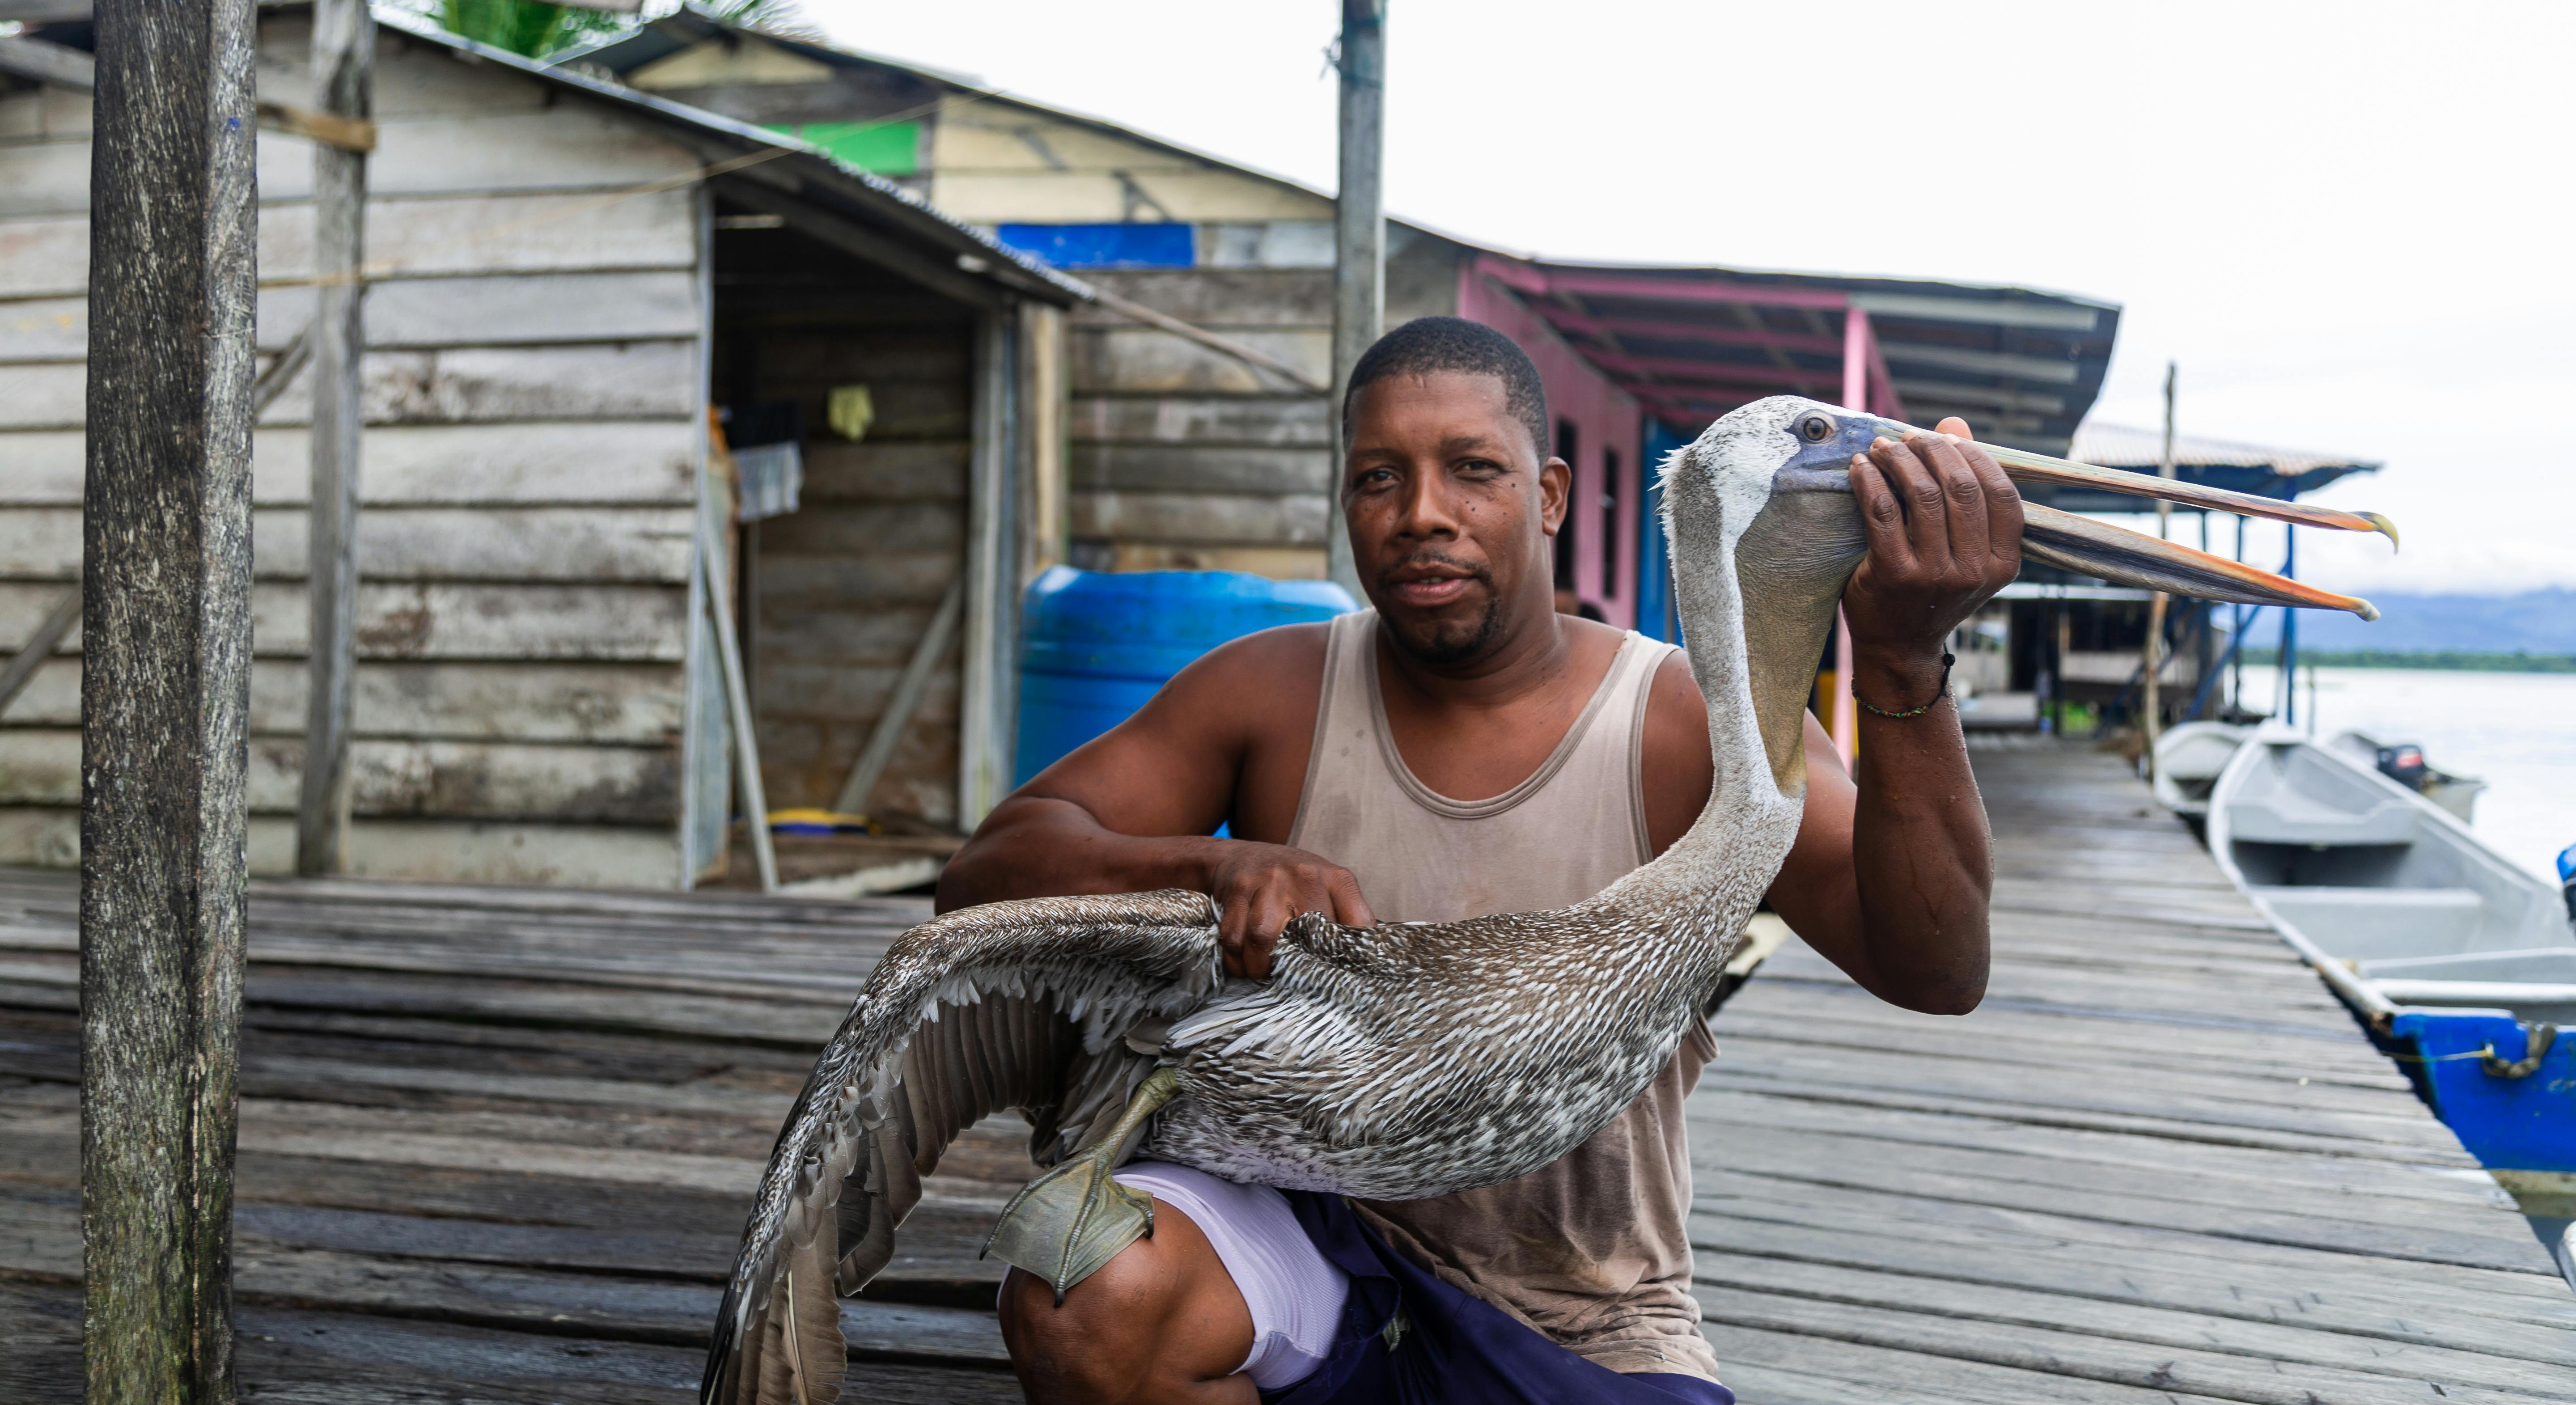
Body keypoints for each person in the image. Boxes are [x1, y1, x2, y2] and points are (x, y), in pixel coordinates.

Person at [938, 317, 2020, 1404]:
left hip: (1585, 1302)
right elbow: (988, 872)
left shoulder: (1689, 719)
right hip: (1303, 1232)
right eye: (1378, 478)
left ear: (1548, 496)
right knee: (1086, 1295)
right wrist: (1211, 867)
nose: (1421, 515)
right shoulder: (1264, 691)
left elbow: (1935, 968)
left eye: (1473, 470)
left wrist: (1899, 652)